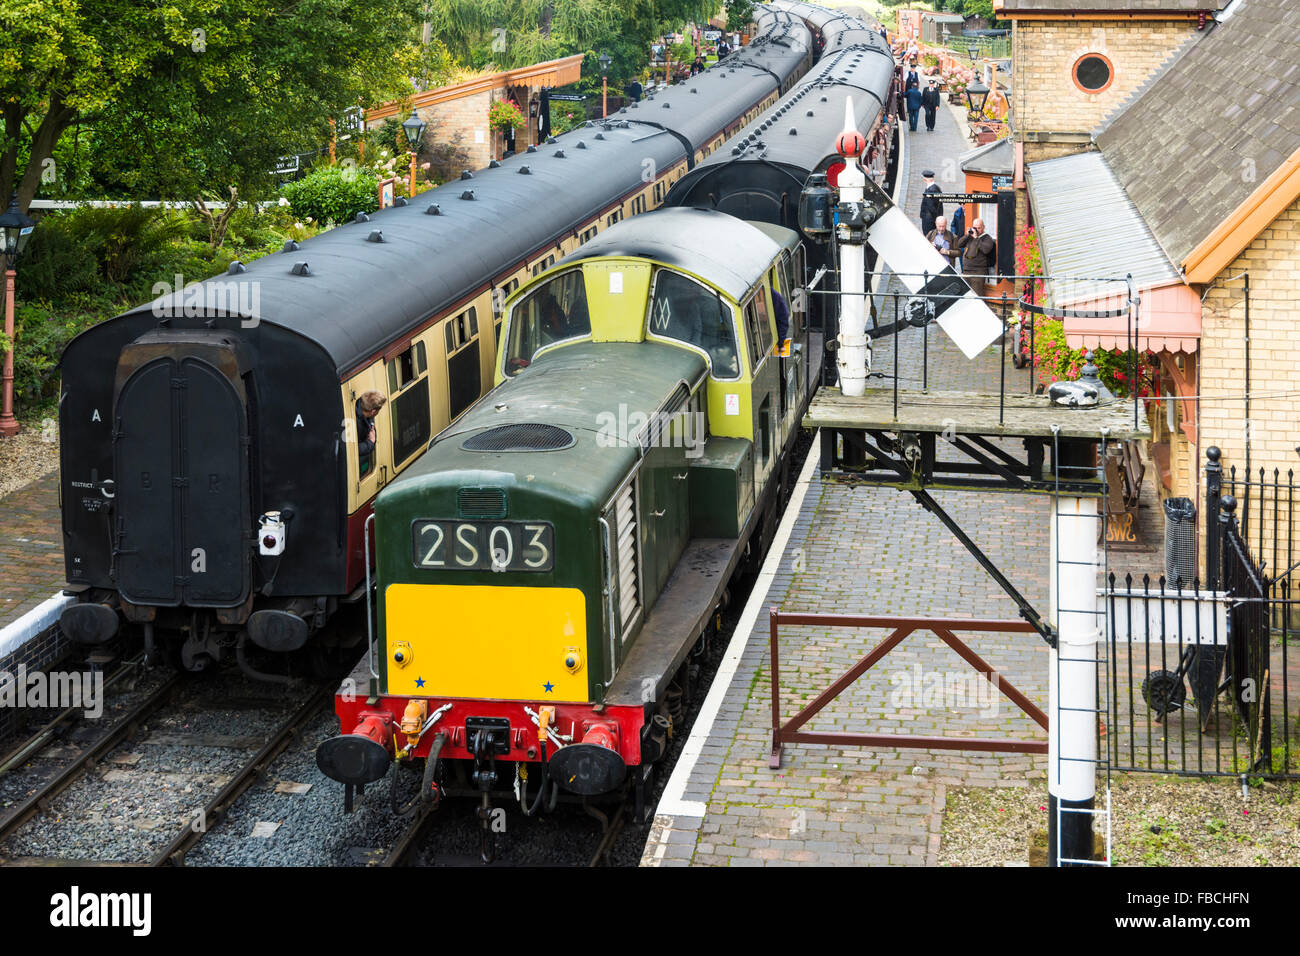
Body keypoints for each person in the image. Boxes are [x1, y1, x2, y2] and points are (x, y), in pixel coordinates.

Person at [957, 218, 997, 299]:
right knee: (965, 296)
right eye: (975, 227)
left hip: (978, 273)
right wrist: (967, 235)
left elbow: (986, 250)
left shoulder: (987, 238)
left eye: (979, 228)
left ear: (983, 227)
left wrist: (976, 238)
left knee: (977, 297)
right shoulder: (970, 237)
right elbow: (959, 244)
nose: (977, 230)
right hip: (966, 271)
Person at [355, 390, 387, 473]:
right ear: (373, 411)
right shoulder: (355, 423)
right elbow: (352, 450)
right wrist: (370, 442)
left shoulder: (361, 405)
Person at [919, 169, 943, 235]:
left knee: (929, 237)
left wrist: (936, 220)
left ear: (925, 179)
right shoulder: (936, 188)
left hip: (929, 221)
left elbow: (932, 207)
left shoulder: (931, 190)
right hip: (932, 220)